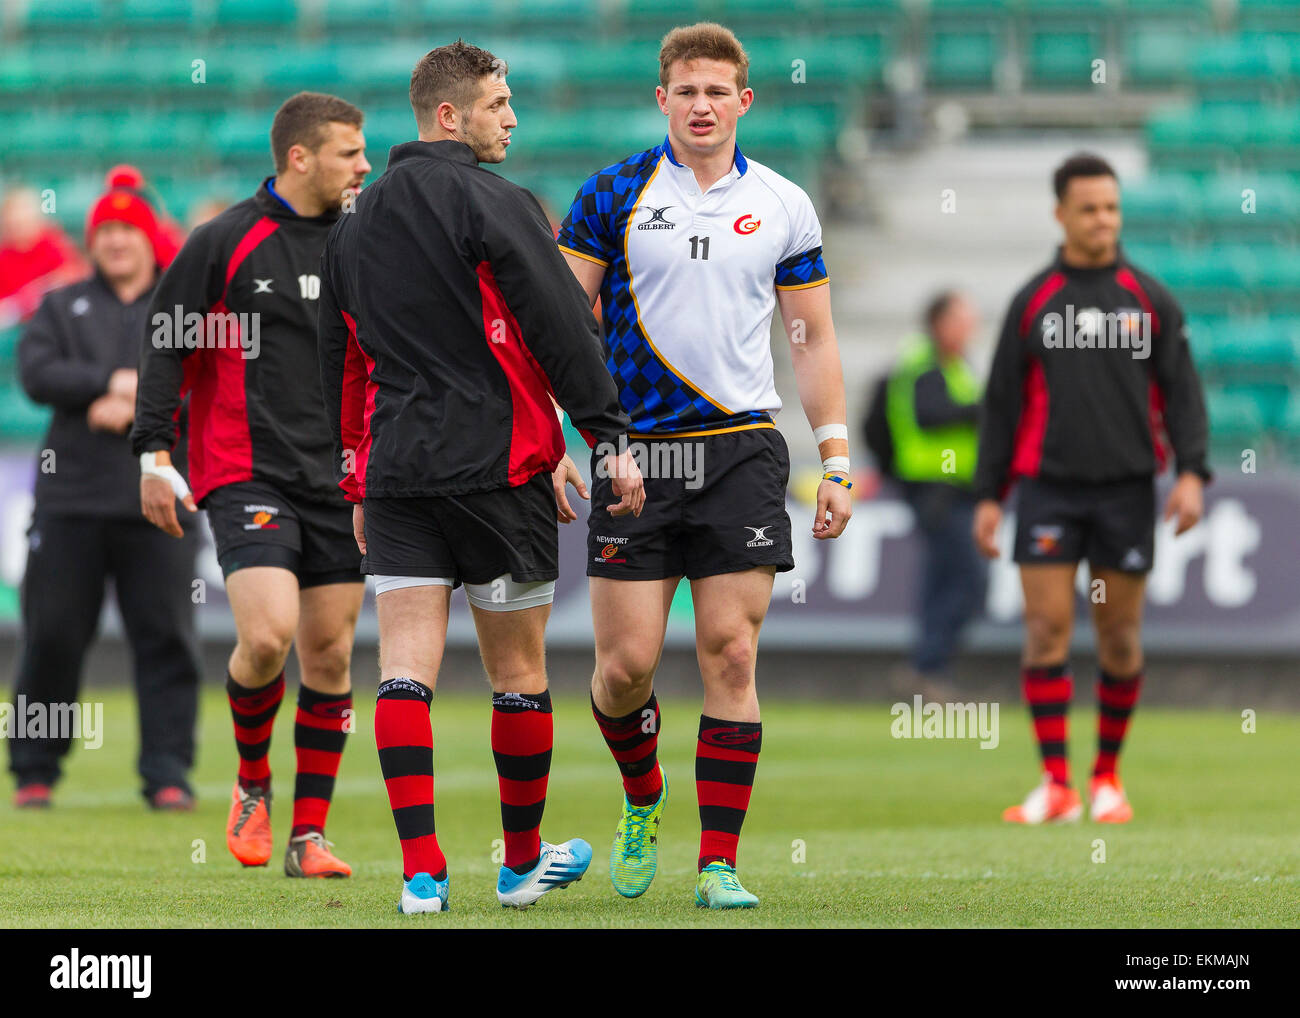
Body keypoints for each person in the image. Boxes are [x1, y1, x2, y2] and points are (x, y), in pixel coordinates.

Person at [317, 41, 642, 915]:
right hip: (498, 473)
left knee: (402, 672)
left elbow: (345, 363)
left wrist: (354, 477)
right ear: (450, 115)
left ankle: (422, 876)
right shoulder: (496, 202)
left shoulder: (353, 223)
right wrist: (606, 428)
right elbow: (561, 323)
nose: (513, 118)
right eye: (499, 104)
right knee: (518, 674)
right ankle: (519, 866)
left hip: (394, 475)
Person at [557, 22, 853, 909]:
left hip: (739, 453)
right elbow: (564, 329)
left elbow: (812, 337)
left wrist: (834, 457)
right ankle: (643, 794)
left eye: (717, 91)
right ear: (662, 99)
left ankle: (719, 861)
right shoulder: (610, 193)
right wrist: (568, 440)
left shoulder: (786, 204)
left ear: (743, 101)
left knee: (731, 651)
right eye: (686, 90)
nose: (701, 105)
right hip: (633, 455)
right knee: (625, 669)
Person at [131, 93, 373, 877]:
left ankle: (308, 840)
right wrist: (154, 454)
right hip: (246, 469)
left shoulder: (363, 241)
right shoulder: (226, 240)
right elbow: (165, 339)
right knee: (268, 636)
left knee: (330, 656)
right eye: (348, 152)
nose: (364, 165)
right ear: (299, 157)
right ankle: (251, 782)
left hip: (341, 476)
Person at [972, 153, 1210, 825]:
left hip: (1128, 491)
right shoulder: (1034, 301)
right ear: (1061, 214)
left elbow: (1183, 394)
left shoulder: (1151, 298)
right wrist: (990, 494)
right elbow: (1002, 405)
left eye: (1111, 207)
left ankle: (1106, 776)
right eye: (1089, 208)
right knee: (1046, 629)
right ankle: (1056, 784)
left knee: (1120, 637)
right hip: (1049, 491)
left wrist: (1191, 472)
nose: (1103, 219)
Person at [10, 167, 199, 810]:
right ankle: (34, 768)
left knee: (167, 637)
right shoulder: (62, 302)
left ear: (150, 238)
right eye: (106, 230)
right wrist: (105, 383)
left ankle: (168, 772)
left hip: (160, 497)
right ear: (92, 240)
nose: (117, 241)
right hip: (71, 503)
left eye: (129, 229)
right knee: (53, 633)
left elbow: (206, 380)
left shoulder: (181, 305)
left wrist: (134, 395)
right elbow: (35, 371)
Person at [881, 291, 987, 692]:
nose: (969, 329)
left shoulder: (953, 363)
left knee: (943, 577)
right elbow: (931, 415)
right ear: (940, 323)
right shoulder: (923, 361)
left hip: (954, 488)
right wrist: (981, 408)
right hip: (934, 488)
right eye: (962, 320)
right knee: (969, 578)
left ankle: (926, 667)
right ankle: (929, 665)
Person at [0, 187, 87, 326]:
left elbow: (75, 275)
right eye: (13, 223)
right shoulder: (4, 257)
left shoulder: (53, 243)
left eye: (23, 221)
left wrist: (41, 288)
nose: (18, 228)